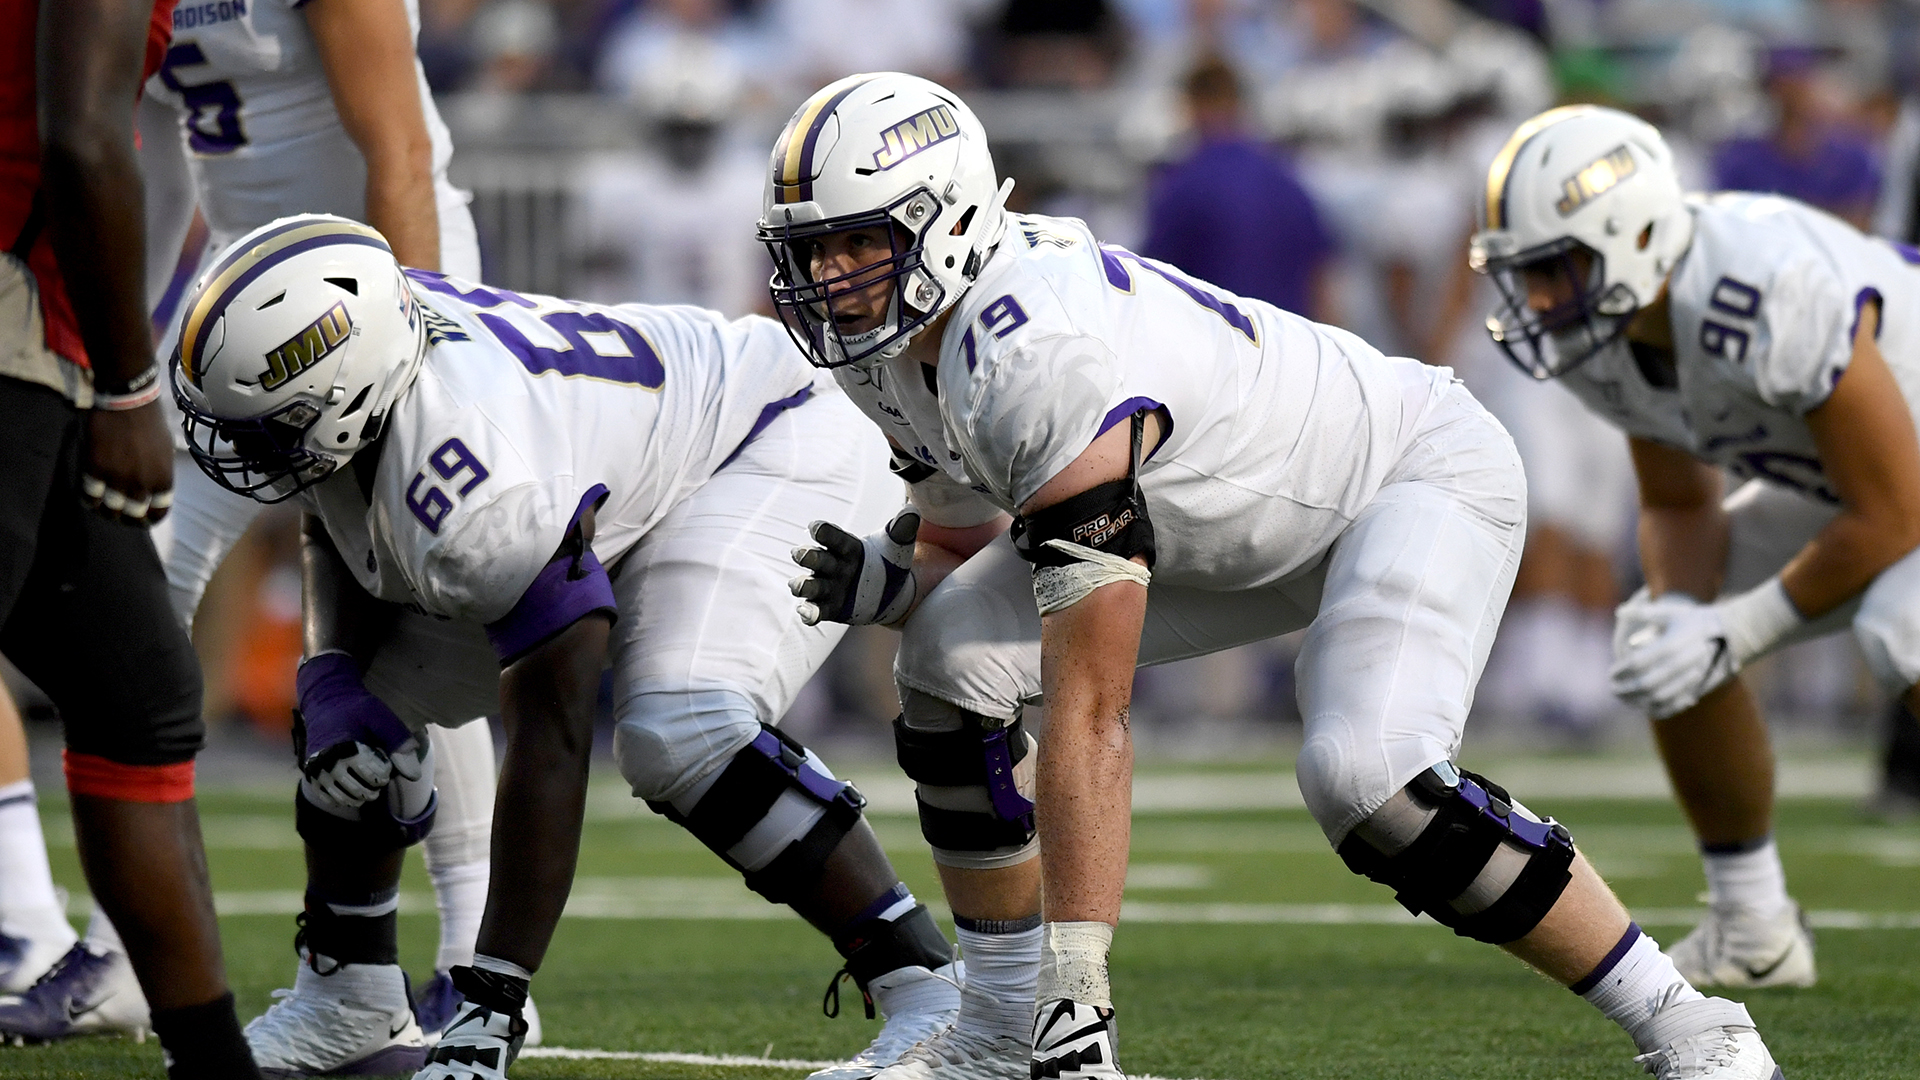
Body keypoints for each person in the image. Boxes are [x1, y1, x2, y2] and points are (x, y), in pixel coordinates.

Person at [767, 72, 1783, 1080]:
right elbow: (958, 534)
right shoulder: (891, 344)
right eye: (816, 250)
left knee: (1366, 777)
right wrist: (892, 585)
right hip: (1218, 520)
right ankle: (989, 1036)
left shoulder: (1037, 357)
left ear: (947, 225)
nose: (835, 275)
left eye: (861, 241)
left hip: (1404, 474)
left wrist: (1078, 989)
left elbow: (1092, 710)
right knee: (945, 662)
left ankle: (1693, 1027)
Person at [172, 213, 964, 1080]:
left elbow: (552, 730)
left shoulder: (475, 485)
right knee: (361, 717)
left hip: (762, 434)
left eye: (266, 426)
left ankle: (928, 991)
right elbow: (332, 507)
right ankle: (348, 995)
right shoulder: (378, 361)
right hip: (604, 471)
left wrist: (491, 1000)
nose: (243, 451)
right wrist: (327, 680)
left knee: (679, 729)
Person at [0, 0, 512, 1058]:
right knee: (136, 604)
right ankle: (131, 957)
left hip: (376, 305)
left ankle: (478, 966)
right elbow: (143, 160)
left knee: (421, 623)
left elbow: (402, 152)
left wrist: (419, 348)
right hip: (244, 327)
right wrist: (115, 368)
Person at [1474, 103, 1920, 991]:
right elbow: (1679, 502)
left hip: (1898, 483)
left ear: (1633, 235)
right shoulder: (1610, 328)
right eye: (1530, 276)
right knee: (1662, 630)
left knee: (1902, 630)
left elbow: (1896, 514)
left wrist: (1743, 630)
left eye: (1559, 269)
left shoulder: (1767, 283)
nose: (1543, 301)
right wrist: (1691, 618)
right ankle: (1754, 924)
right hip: (1867, 482)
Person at [0, 0, 263, 1074]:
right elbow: (81, 134)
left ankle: (214, 1064)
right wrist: (127, 389)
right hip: (18, 319)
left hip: (42, 322)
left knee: (137, 695)